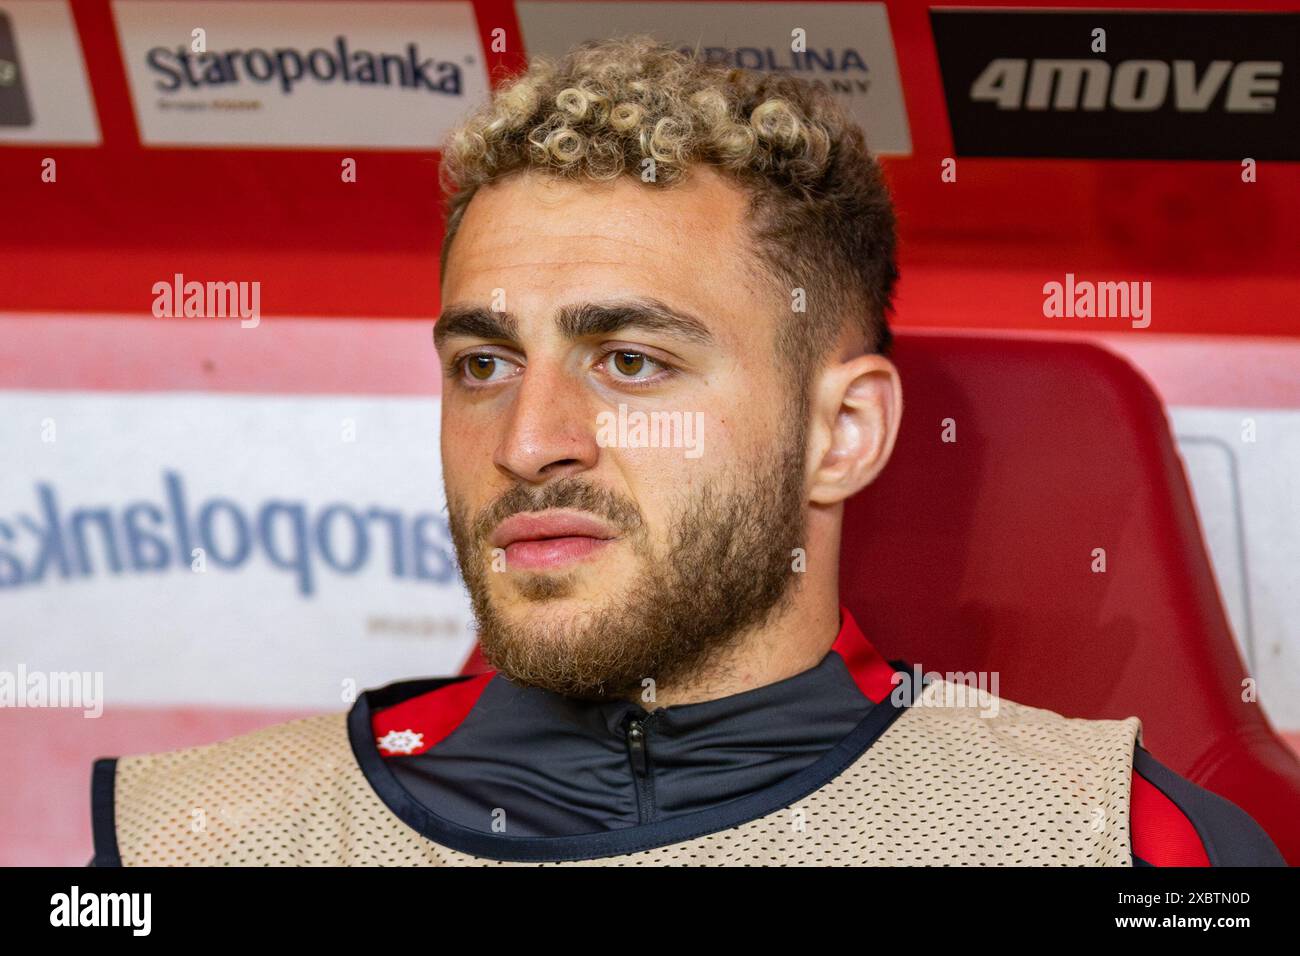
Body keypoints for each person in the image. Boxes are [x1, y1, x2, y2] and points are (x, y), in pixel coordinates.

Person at [88, 34, 1284, 867]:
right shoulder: (186, 839)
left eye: (630, 360)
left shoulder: (1116, 843)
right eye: (483, 364)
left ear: (842, 432)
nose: (529, 443)